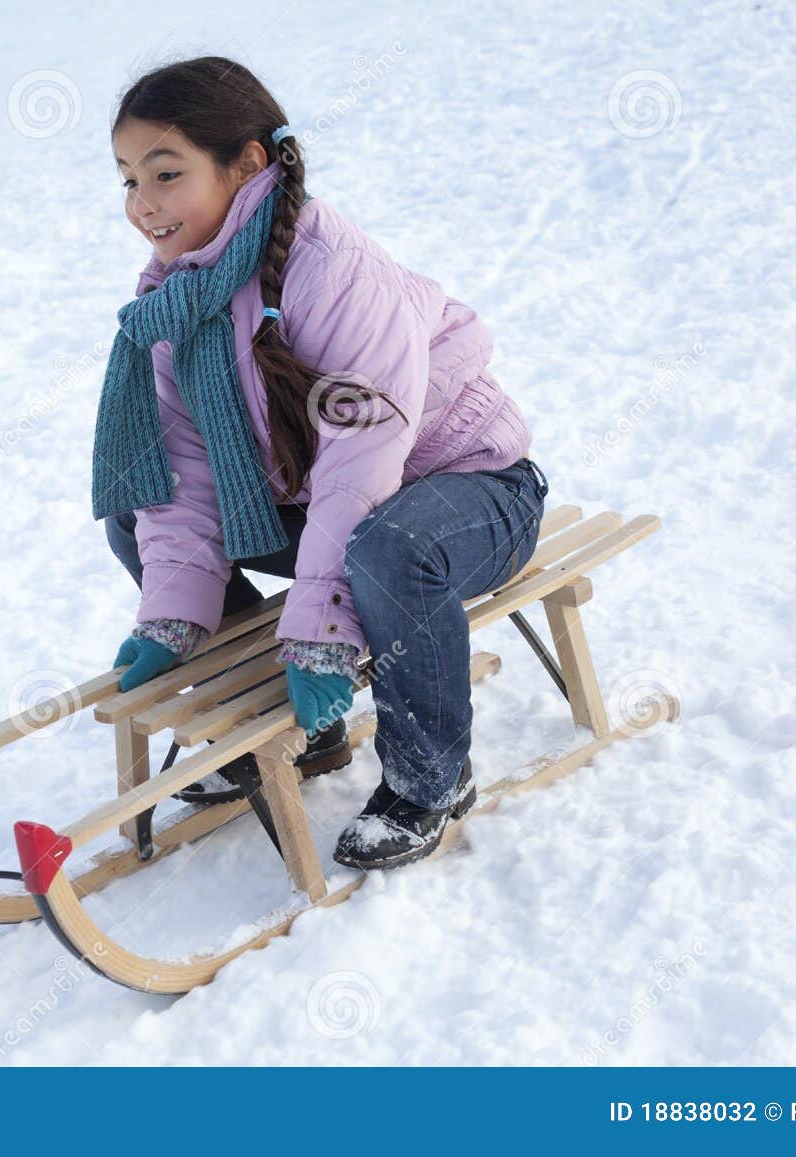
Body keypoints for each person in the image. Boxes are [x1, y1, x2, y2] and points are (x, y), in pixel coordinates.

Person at [95, 56, 547, 870]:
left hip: (473, 495)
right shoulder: (178, 297)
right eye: (128, 179)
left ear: (248, 165)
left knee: (391, 545)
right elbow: (188, 467)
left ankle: (429, 782)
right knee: (139, 505)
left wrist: (321, 629)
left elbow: (360, 463)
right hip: (344, 508)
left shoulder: (331, 271)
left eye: (167, 174)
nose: (144, 204)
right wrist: (174, 607)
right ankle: (308, 729)